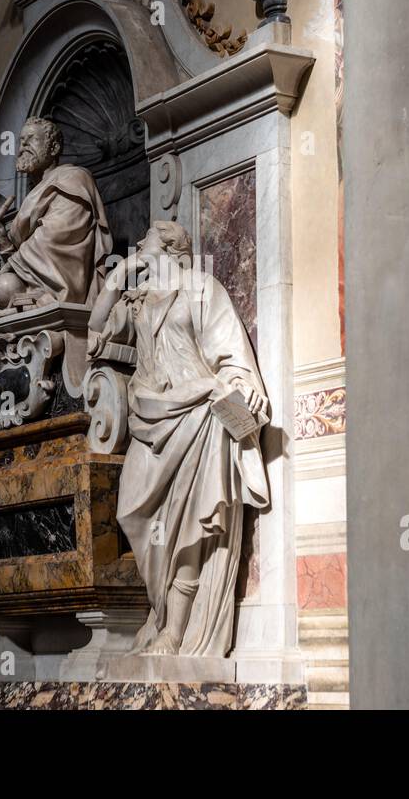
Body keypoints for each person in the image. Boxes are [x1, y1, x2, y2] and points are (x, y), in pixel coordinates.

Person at [87, 221, 269, 656]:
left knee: (189, 521)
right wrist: (118, 275)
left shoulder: (203, 289)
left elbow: (232, 358)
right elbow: (94, 332)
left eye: (147, 239)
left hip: (197, 415)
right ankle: (161, 611)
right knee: (133, 511)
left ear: (168, 247)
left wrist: (239, 390)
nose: (140, 245)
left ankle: (175, 629)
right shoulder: (138, 302)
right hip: (150, 420)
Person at [0, 117, 112, 317]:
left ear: (54, 147)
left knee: (5, 284)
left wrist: (12, 261)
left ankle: (37, 302)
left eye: (31, 139)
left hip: (64, 288)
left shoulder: (73, 179)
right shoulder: (35, 193)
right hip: (34, 282)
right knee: (4, 286)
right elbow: (33, 251)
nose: (23, 145)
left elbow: (56, 238)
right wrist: (3, 242)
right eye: (21, 140)